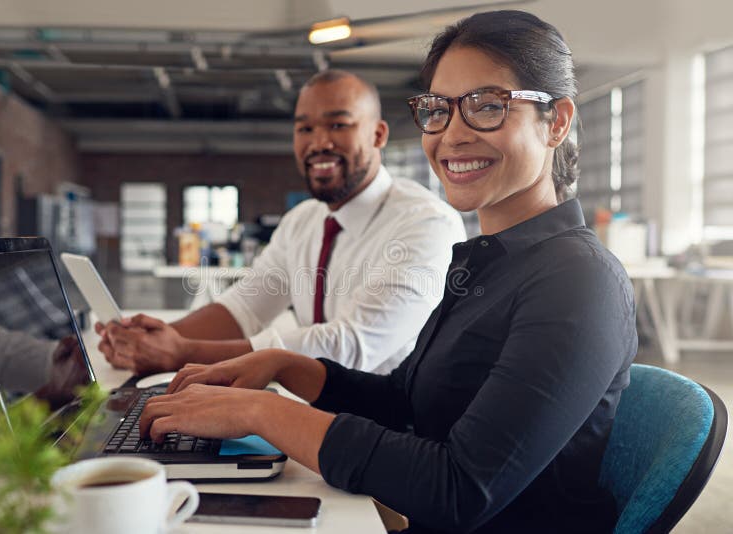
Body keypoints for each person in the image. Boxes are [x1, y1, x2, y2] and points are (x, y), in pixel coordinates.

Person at [139, 11, 637, 533]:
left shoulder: (578, 282)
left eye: (487, 107)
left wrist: (260, 414)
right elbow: (405, 400)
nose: (452, 135)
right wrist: (282, 365)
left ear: (555, 121)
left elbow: (459, 490)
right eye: (438, 111)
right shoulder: (494, 260)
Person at [98, 69, 466, 376]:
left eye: (338, 124)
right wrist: (151, 341)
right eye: (304, 129)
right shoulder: (302, 221)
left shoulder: (426, 224)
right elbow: (243, 309)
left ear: (378, 134)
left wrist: (182, 352)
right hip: (318, 417)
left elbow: (349, 347)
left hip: (396, 433)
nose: (319, 142)